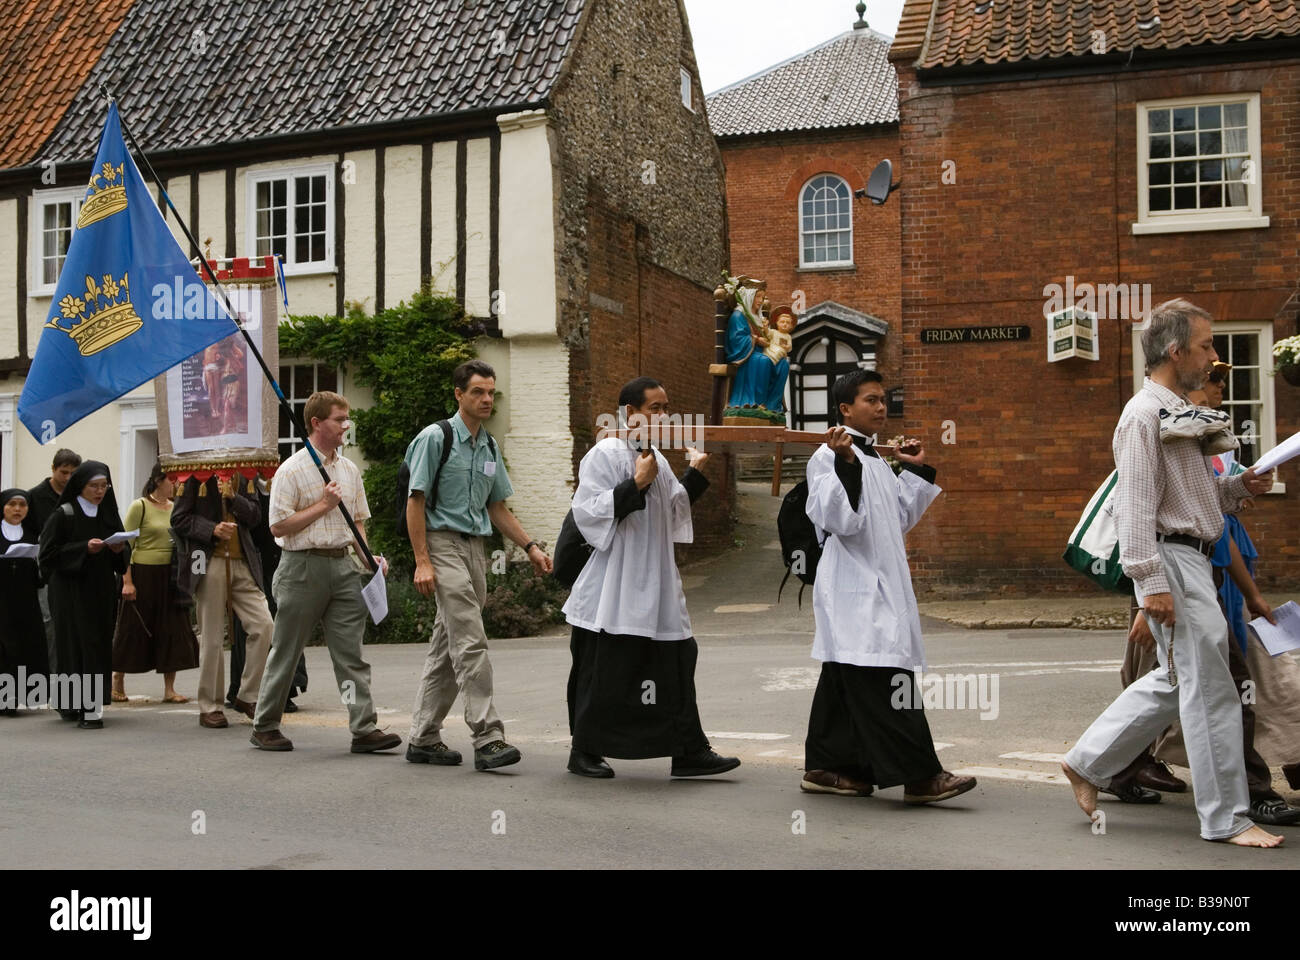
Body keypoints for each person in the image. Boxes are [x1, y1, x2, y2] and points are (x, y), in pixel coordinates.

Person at [1060, 299, 1281, 847]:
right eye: (1206, 345)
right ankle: (1228, 818)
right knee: (1212, 691)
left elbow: (1192, 499)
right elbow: (1135, 505)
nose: (1213, 356)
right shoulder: (1143, 414)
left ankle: (1088, 763)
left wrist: (1236, 488)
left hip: (1188, 557)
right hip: (1172, 560)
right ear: (1175, 350)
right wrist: (1149, 582)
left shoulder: (1176, 409)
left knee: (1176, 679)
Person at [800, 369, 974, 804]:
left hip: (882, 582)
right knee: (886, 681)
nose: (881, 407)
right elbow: (840, 519)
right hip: (853, 587)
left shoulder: (876, 458)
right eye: (871, 400)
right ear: (845, 409)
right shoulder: (827, 457)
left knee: (845, 677)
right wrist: (844, 464)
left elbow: (897, 519)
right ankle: (919, 775)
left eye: (883, 400)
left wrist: (913, 471)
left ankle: (828, 766)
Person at [563, 375, 738, 778]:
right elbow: (587, 513)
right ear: (630, 414)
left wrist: (693, 472)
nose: (664, 415)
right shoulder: (606, 453)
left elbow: (674, 512)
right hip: (615, 584)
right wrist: (635, 483)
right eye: (655, 408)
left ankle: (688, 750)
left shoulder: (655, 457)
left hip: (657, 580)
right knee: (605, 669)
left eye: (666, 408)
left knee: (677, 662)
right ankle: (585, 750)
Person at [405, 360, 551, 770]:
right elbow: (414, 502)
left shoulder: (489, 447)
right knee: (470, 640)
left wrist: (530, 547)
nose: (486, 399)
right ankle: (488, 737)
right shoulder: (436, 438)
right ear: (458, 394)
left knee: (446, 647)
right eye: (477, 392)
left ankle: (422, 737)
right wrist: (422, 561)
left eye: (490, 393)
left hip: (475, 550)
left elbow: (497, 506)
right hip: (441, 545)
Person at [251, 391, 399, 753]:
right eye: (338, 419)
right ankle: (265, 724)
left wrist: (369, 560)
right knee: (286, 649)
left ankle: (364, 728)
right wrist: (323, 504)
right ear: (317, 423)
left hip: (343, 565)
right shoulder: (292, 470)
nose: (345, 425)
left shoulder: (349, 470)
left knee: (351, 653)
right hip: (302, 567)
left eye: (347, 418)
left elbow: (358, 522)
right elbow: (278, 527)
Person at [173, 471, 275, 729]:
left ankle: (248, 695)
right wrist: (212, 529)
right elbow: (179, 519)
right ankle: (211, 705)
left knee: (264, 626)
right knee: (213, 637)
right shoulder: (194, 476)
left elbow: (255, 516)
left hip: (243, 562)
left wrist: (233, 497)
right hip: (209, 561)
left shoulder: (245, 475)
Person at [38, 461, 127, 728]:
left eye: (104, 486)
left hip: (100, 589)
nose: (99, 492)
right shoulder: (64, 514)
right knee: (73, 644)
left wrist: (118, 551)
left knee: (96, 644)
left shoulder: (108, 513)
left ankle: (92, 705)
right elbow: (48, 557)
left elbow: (122, 557)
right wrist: (82, 549)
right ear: (81, 486)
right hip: (69, 591)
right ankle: (70, 703)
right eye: (94, 486)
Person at [110, 462, 199, 704]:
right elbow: (124, 547)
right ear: (159, 480)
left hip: (171, 574)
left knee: (172, 627)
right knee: (134, 627)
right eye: (173, 480)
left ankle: (169, 689)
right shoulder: (139, 506)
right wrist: (127, 582)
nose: (176, 485)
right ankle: (118, 676)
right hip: (142, 574)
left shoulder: (177, 509)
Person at [226, 477, 307, 713]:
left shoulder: (283, 488)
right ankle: (241, 689)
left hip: (280, 563)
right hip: (253, 564)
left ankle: (285, 689)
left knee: (283, 624)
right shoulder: (244, 487)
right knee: (249, 628)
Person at [28, 448, 82, 659]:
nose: (68, 478)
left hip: (72, 565)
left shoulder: (77, 495)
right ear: (53, 469)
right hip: (46, 569)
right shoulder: (35, 496)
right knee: (48, 622)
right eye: (63, 472)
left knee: (70, 623)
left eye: (73, 474)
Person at [0, 489, 49, 715]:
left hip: (25, 599)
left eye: (22, 504)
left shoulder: (32, 533)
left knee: (24, 646)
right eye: (12, 504)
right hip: (2, 600)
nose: (17, 509)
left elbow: (39, 572)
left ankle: (19, 696)